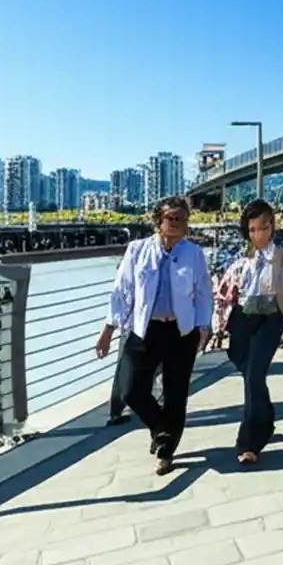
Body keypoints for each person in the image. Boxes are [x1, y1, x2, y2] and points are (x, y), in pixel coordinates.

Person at [96, 196, 212, 475]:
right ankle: (160, 429)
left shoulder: (193, 253)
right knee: (131, 389)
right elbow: (122, 291)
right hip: (145, 330)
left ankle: (166, 451)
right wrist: (108, 330)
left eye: (181, 219)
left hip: (181, 331)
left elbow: (203, 293)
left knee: (176, 393)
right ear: (158, 221)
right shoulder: (137, 250)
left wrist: (204, 327)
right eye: (170, 218)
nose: (175, 223)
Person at [220, 199, 283, 464]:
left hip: (270, 317)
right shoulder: (243, 257)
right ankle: (265, 416)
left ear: (272, 227)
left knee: (254, 375)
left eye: (263, 228)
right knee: (244, 365)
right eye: (252, 229)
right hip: (243, 317)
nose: (258, 234)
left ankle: (250, 441)